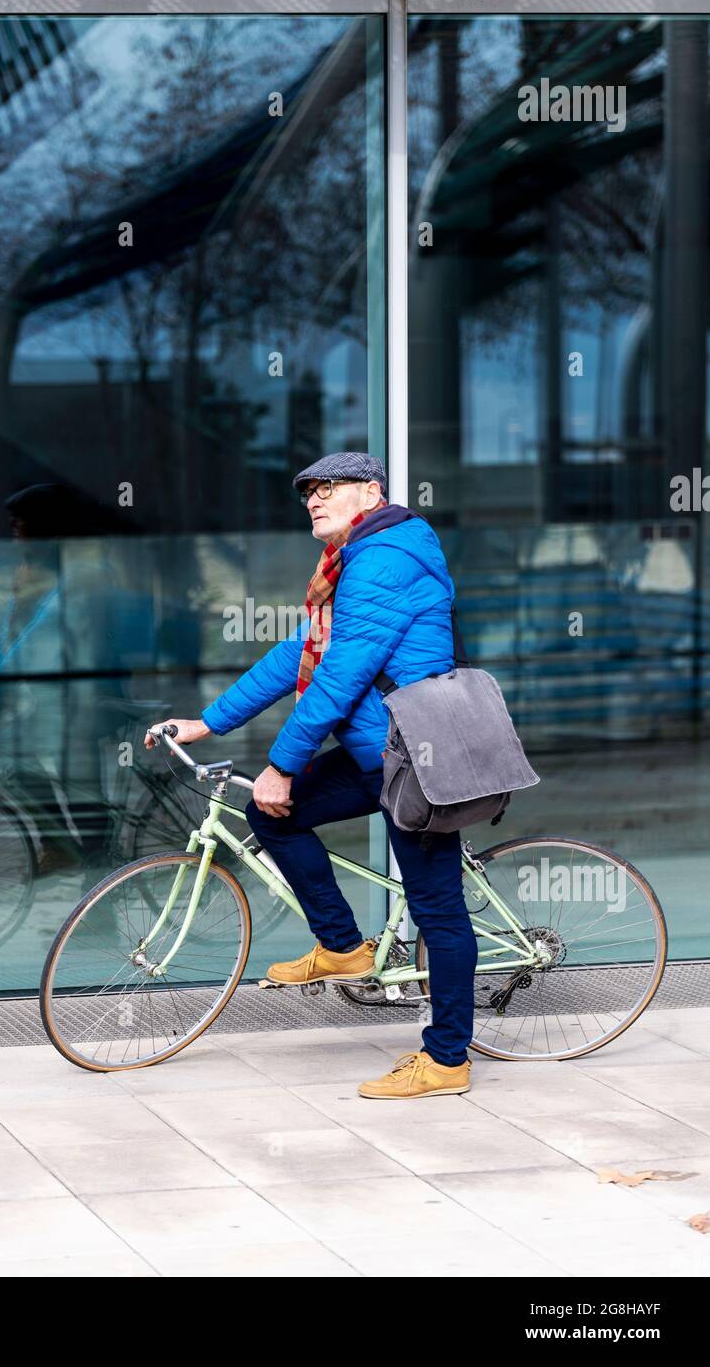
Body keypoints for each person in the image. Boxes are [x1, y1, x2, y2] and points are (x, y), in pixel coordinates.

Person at [144, 453, 477, 1099]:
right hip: (374, 755)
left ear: (370, 493)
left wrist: (279, 765)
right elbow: (299, 654)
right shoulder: (352, 562)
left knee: (437, 910)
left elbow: (341, 676)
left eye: (328, 488)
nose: (313, 500)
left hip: (412, 761)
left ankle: (446, 1061)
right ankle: (342, 947)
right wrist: (209, 723)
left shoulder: (382, 561)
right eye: (307, 493)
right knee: (272, 814)